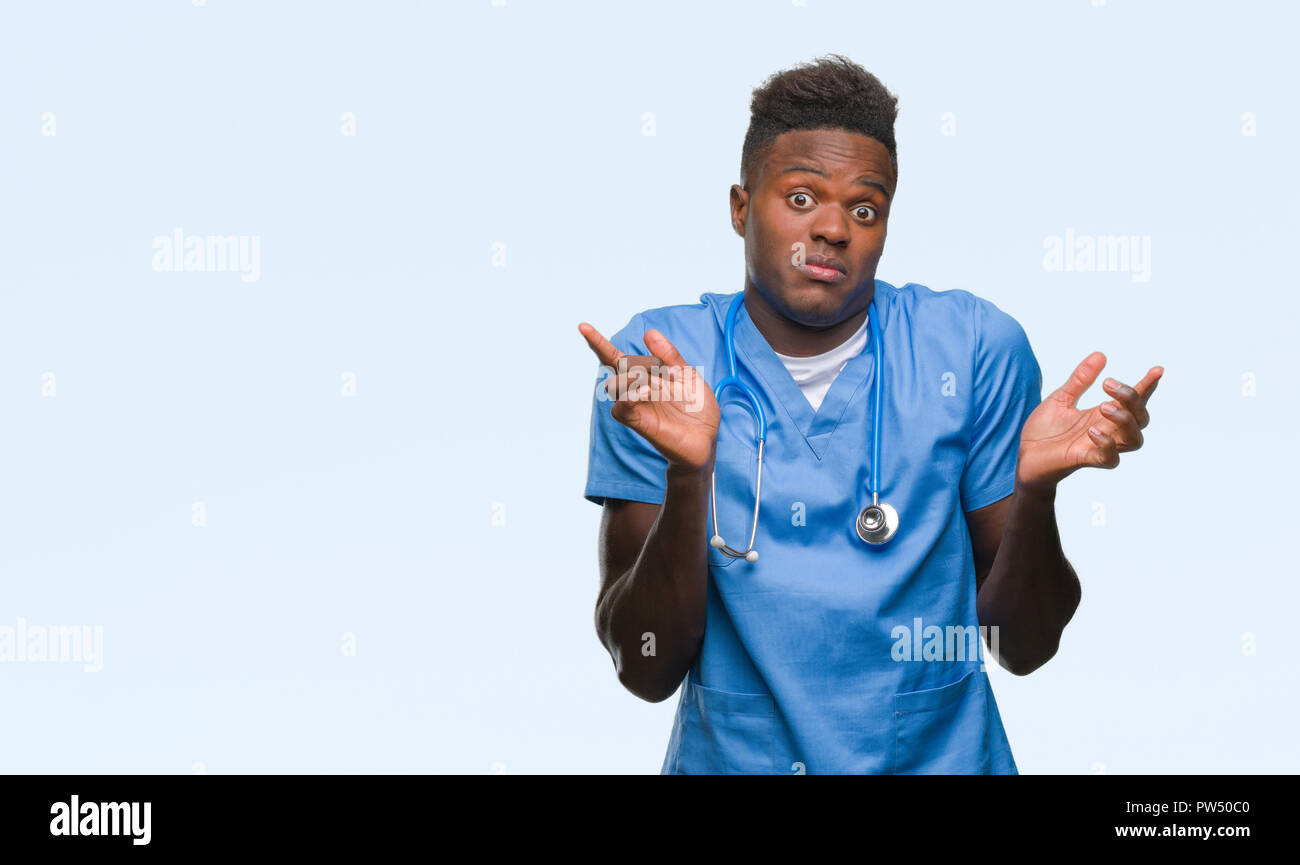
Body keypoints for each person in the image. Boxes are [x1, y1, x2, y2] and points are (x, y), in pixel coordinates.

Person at [577, 55, 1162, 774]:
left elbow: (1023, 646)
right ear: (739, 206)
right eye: (800, 198)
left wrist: (1036, 491)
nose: (832, 229)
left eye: (864, 207)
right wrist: (689, 475)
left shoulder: (975, 347)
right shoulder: (658, 365)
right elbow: (645, 667)